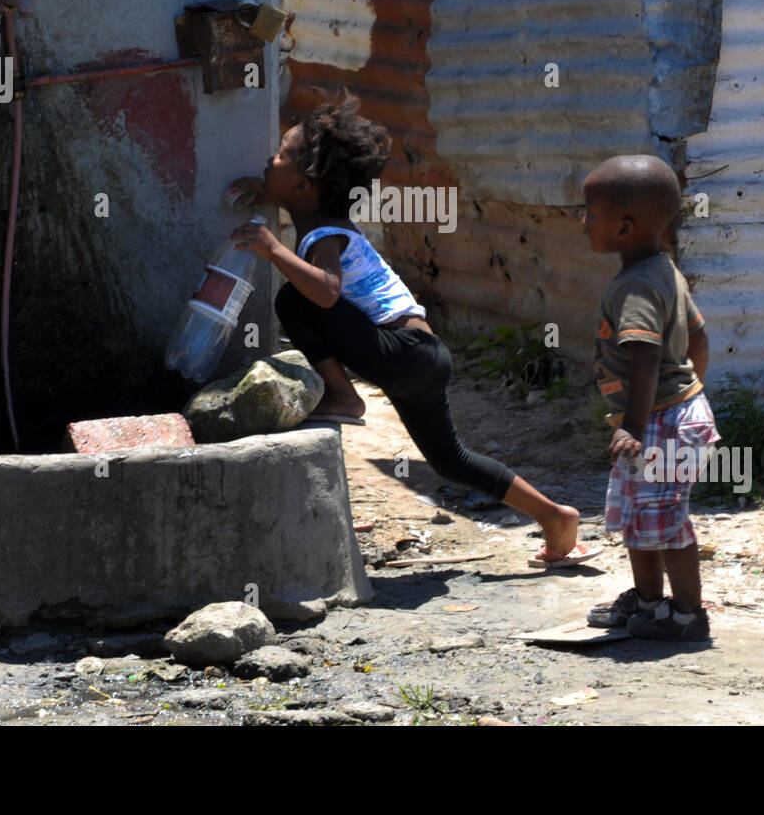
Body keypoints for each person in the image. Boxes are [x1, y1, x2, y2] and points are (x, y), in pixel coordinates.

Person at [226, 96, 599, 568]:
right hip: (423, 355)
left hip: (399, 352)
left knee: (292, 299)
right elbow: (305, 222)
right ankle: (555, 516)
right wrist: (269, 191)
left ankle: (343, 397)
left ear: (303, 182)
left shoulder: (323, 234)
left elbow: (324, 292)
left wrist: (272, 249)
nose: (267, 160)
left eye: (279, 155)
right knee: (451, 461)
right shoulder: (325, 219)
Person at [581, 154, 719, 641]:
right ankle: (649, 603)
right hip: (669, 415)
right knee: (639, 517)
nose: (584, 222)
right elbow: (699, 339)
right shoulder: (664, 269)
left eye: (591, 214)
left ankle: (687, 616)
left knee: (666, 523)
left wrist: (638, 426)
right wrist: (691, 395)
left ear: (624, 226)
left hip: (659, 423)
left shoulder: (638, 286)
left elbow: (644, 358)